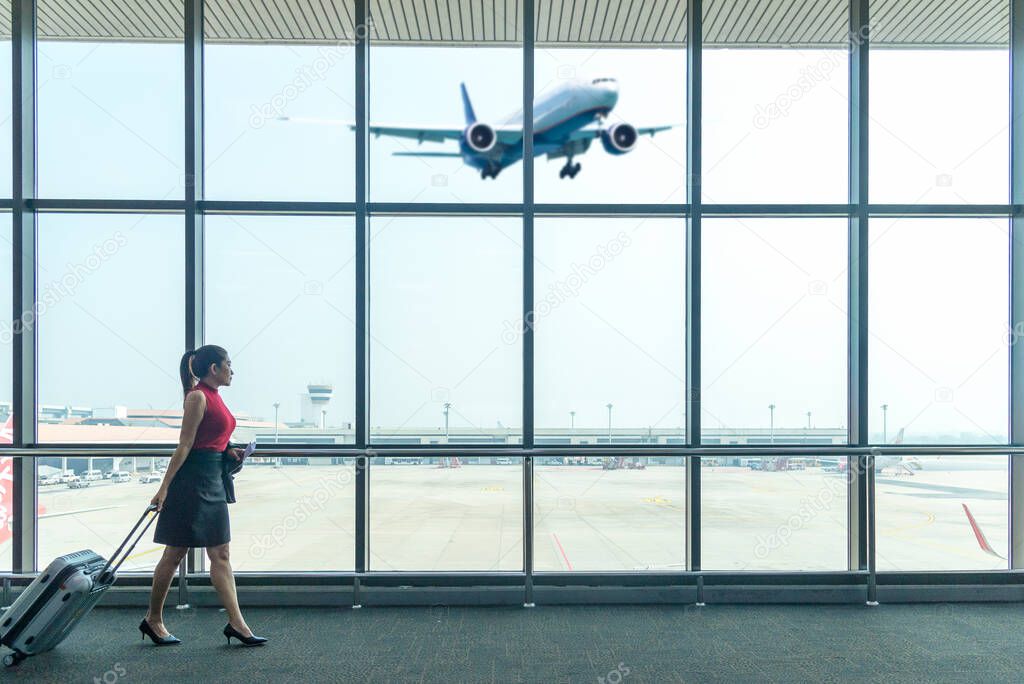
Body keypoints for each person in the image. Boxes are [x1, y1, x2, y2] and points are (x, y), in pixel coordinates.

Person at [139, 345, 268, 647]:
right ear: (214, 369)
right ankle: (153, 619)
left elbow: (211, 439)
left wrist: (229, 450)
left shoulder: (215, 398)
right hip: (192, 482)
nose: (232, 371)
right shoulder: (197, 397)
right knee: (174, 554)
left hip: (212, 480)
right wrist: (163, 488)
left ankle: (238, 624)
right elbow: (184, 445)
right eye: (228, 364)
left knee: (221, 553)